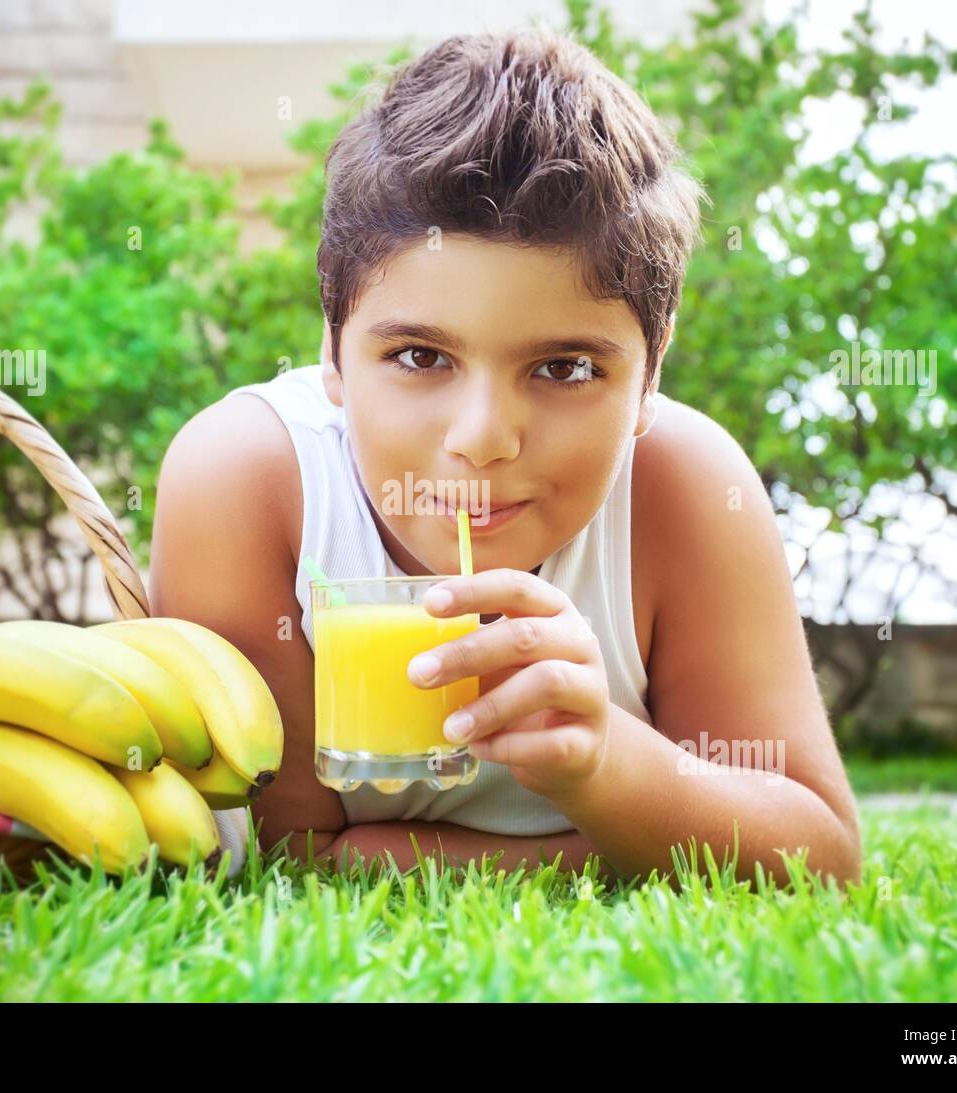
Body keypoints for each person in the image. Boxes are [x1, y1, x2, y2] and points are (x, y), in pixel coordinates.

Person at [149, 26, 861, 888]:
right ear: (333, 351)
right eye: (420, 356)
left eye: (564, 367)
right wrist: (621, 852)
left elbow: (819, 852)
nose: (483, 436)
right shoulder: (248, 483)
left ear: (650, 375)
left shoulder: (685, 486)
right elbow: (292, 861)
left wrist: (612, 765)